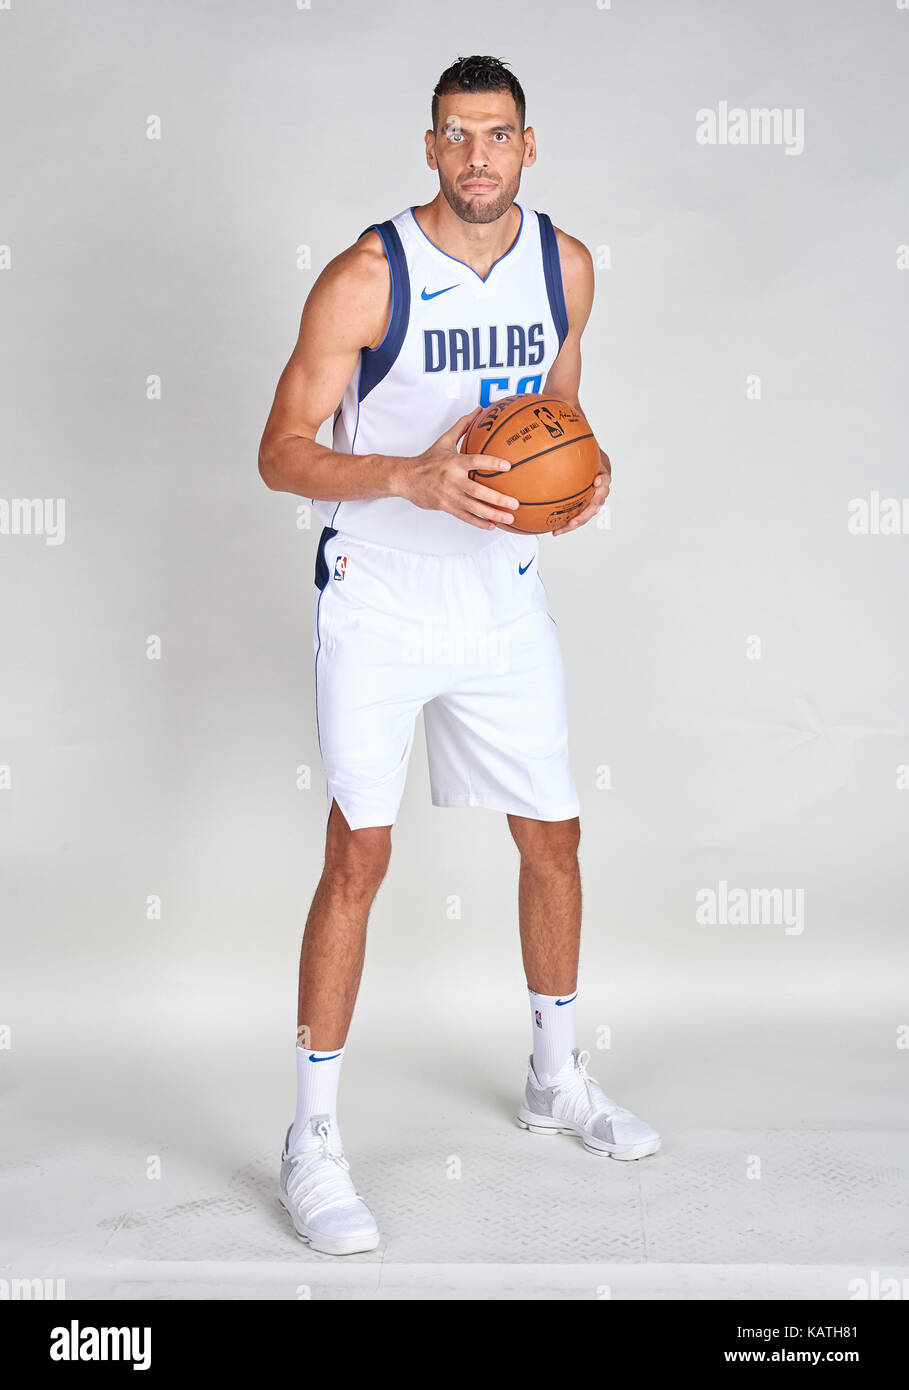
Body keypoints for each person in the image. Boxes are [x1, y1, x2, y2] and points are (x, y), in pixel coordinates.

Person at [258, 54, 660, 1257]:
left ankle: (555, 1075)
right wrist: (408, 476)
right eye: (457, 137)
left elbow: (560, 409)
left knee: (554, 834)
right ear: (429, 148)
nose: (479, 158)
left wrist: (579, 483)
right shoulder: (365, 278)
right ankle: (312, 1140)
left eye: (499, 136)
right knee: (358, 855)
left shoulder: (564, 265)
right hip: (377, 598)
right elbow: (280, 452)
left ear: (528, 146)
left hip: (500, 599)